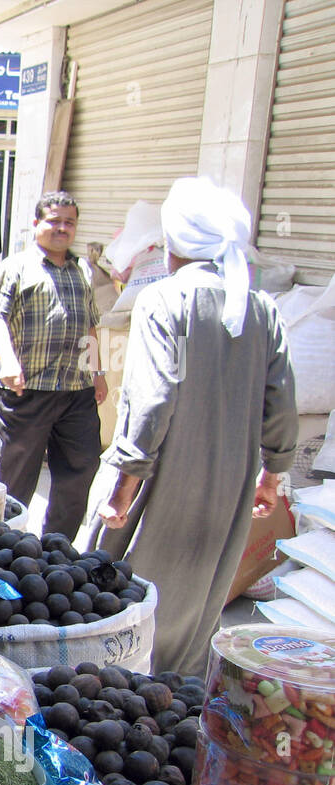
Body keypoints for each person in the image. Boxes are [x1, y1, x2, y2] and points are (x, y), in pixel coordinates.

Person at [87, 177, 298, 676]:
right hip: (231, 485)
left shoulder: (166, 299)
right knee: (198, 598)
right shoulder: (263, 308)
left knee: (119, 596)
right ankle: (171, 706)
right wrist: (272, 475)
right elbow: (282, 404)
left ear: (174, 242)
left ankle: (110, 701)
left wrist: (123, 487)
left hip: (162, 479)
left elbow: (152, 401)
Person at [0, 190, 104, 540]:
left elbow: (92, 324)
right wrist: (8, 362)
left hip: (76, 391)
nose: (62, 228)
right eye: (54, 221)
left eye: (70, 222)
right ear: (36, 224)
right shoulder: (16, 267)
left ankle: (56, 546)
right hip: (27, 390)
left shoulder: (82, 271)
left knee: (80, 470)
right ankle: (3, 543)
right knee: (18, 479)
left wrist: (98, 372)